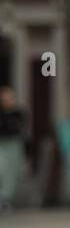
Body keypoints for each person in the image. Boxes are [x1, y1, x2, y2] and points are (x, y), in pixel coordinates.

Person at [0, 86, 28, 214]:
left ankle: (5, 199)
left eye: (9, 97)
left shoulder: (18, 112)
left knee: (11, 171)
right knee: (2, 168)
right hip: (2, 143)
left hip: (14, 144)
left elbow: (19, 127)